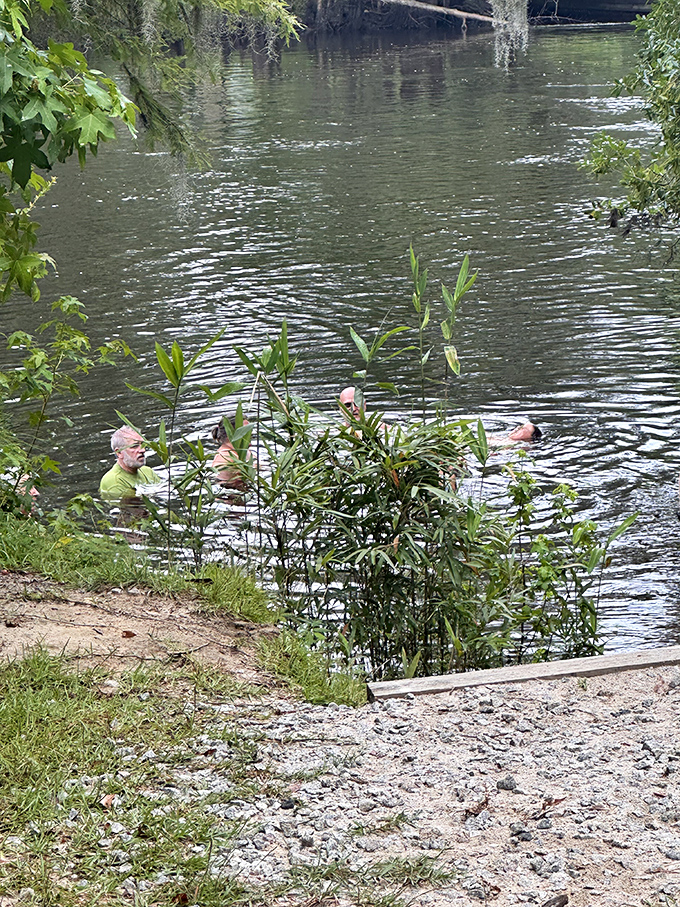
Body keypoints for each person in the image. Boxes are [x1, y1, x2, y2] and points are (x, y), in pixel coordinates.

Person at [99, 426, 162, 503]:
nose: (143, 450)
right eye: (134, 446)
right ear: (119, 452)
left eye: (142, 445)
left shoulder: (148, 471)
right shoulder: (113, 481)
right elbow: (134, 509)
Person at [211, 415, 253, 492]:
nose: (250, 435)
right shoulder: (225, 459)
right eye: (246, 431)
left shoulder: (243, 451)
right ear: (232, 433)